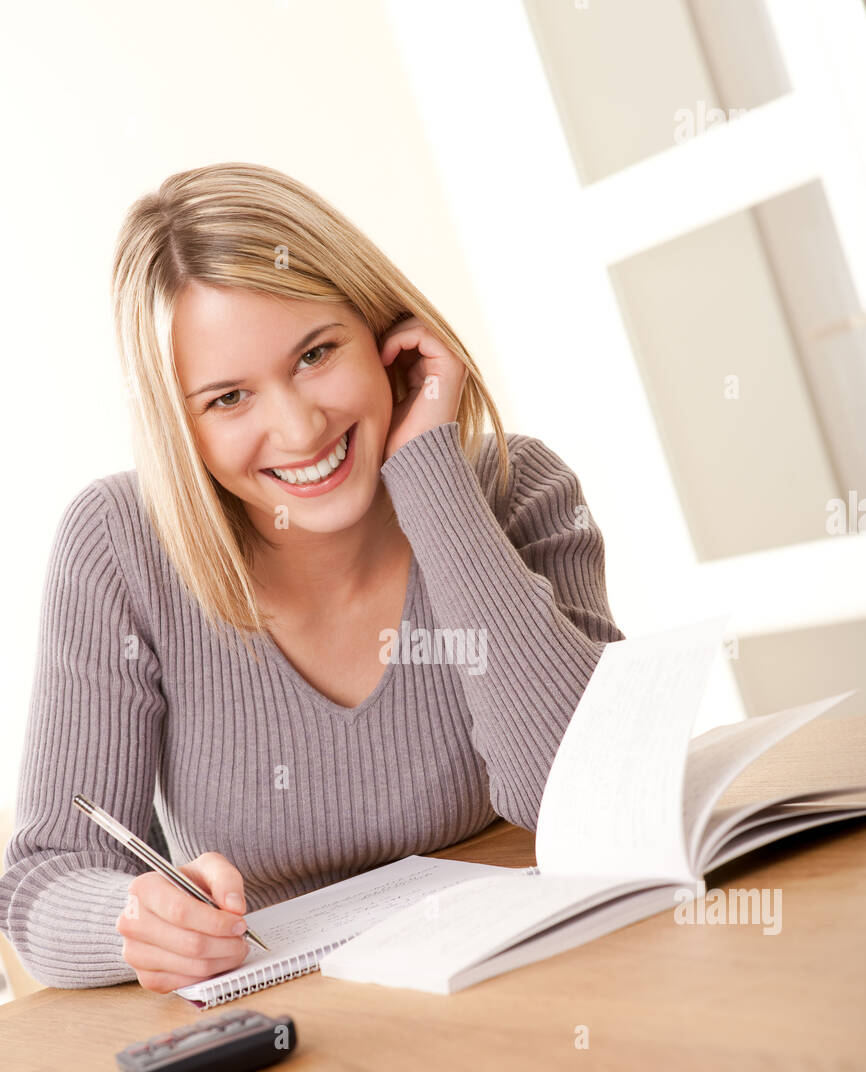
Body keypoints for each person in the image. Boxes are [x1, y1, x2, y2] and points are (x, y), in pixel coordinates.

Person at [0, 162, 625, 994]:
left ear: (383, 332)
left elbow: (591, 799)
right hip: (290, 1033)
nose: (298, 428)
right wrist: (138, 924)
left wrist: (432, 479)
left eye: (316, 353)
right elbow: (45, 882)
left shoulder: (517, 491)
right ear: (177, 428)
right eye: (228, 399)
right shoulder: (119, 547)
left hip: (535, 980)